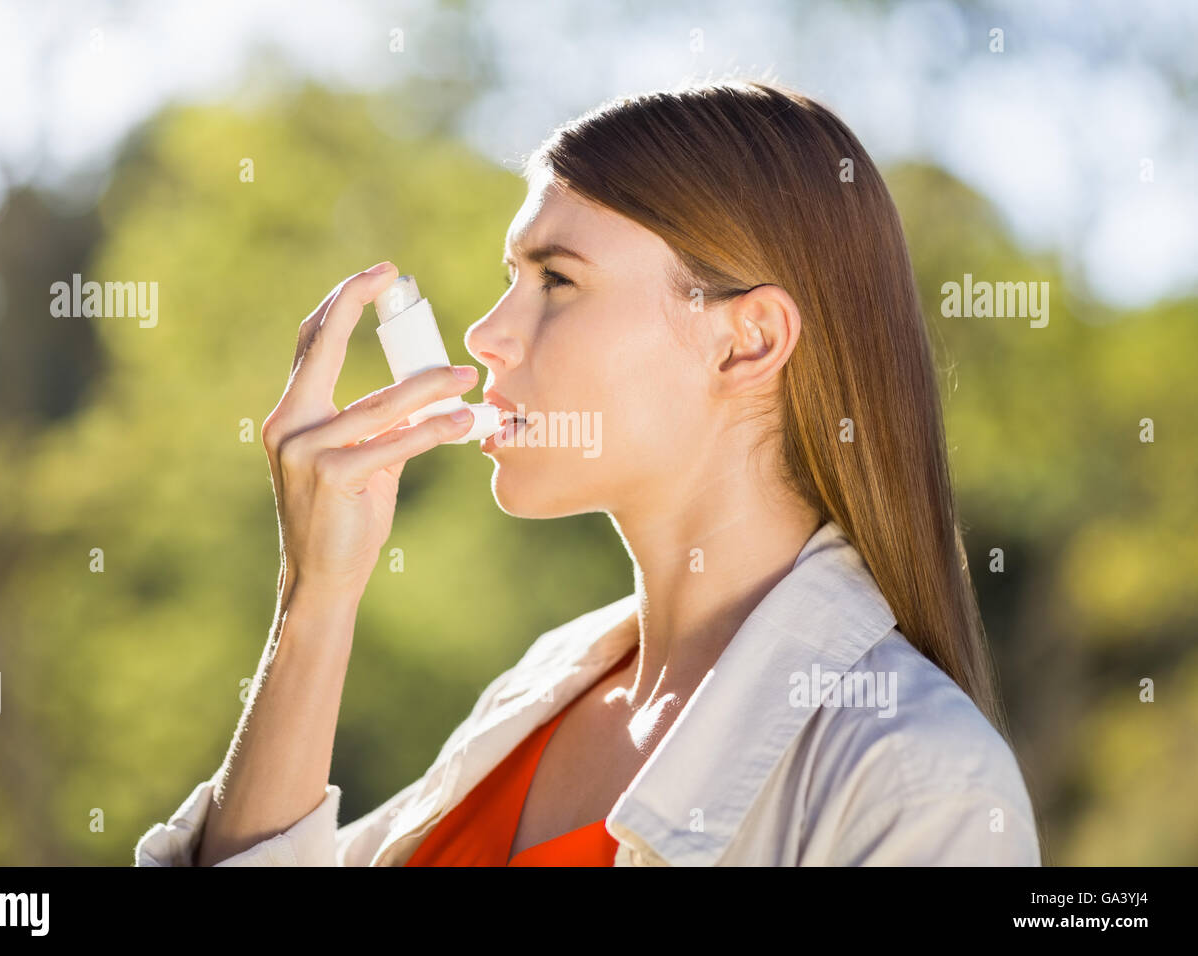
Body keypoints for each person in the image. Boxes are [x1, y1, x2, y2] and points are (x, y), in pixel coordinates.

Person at [135, 78, 1042, 867]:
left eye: (556, 281)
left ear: (747, 340)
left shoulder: (917, 782)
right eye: (510, 277)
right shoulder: (534, 700)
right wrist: (315, 600)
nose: (486, 334)